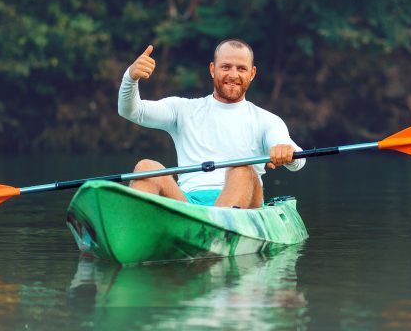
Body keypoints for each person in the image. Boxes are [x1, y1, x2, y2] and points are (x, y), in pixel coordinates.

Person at [117, 38, 305, 208]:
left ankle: (216, 232)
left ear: (252, 73)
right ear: (212, 69)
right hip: (190, 205)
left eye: (241, 68)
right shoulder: (182, 109)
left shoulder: (267, 120)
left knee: (242, 168)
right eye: (226, 67)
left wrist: (286, 152)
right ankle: (129, 236)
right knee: (146, 167)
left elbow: (299, 159)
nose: (233, 75)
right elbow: (132, 111)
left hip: (247, 207)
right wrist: (131, 78)